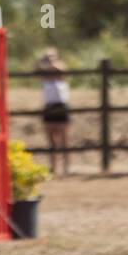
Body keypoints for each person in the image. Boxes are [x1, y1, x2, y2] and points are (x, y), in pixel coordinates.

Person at [36, 48, 71, 176]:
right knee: (51, 140)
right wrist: (42, 60)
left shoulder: (60, 71)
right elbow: (36, 68)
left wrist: (50, 61)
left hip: (61, 106)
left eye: (52, 56)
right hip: (49, 107)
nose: (49, 59)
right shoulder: (45, 76)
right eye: (47, 57)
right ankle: (53, 167)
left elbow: (61, 68)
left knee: (64, 139)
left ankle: (67, 167)